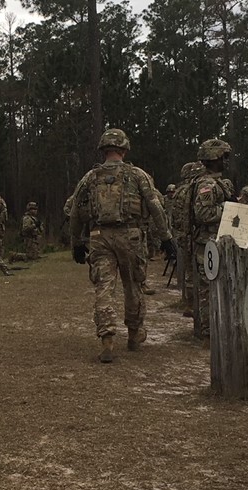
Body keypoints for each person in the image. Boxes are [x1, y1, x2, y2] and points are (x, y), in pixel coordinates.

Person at [68, 128, 173, 363]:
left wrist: (76, 242)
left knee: (104, 288)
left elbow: (75, 211)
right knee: (133, 285)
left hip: (99, 236)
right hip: (131, 236)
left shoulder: (90, 177)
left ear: (103, 150)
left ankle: (107, 338)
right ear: (124, 150)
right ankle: (135, 335)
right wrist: (166, 238)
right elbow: (155, 206)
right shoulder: (137, 175)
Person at [189, 139, 236, 339]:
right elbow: (203, 213)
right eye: (223, 158)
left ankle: (216, 327)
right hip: (207, 243)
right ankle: (207, 331)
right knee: (207, 289)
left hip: (218, 240)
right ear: (214, 159)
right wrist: (229, 209)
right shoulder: (206, 184)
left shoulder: (218, 183)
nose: (226, 162)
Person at [167, 162, 205, 317]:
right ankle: (197, 305)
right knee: (201, 272)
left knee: (190, 271)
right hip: (196, 236)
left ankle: (189, 304)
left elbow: (174, 218)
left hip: (184, 236)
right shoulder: (194, 190)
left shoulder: (180, 192)